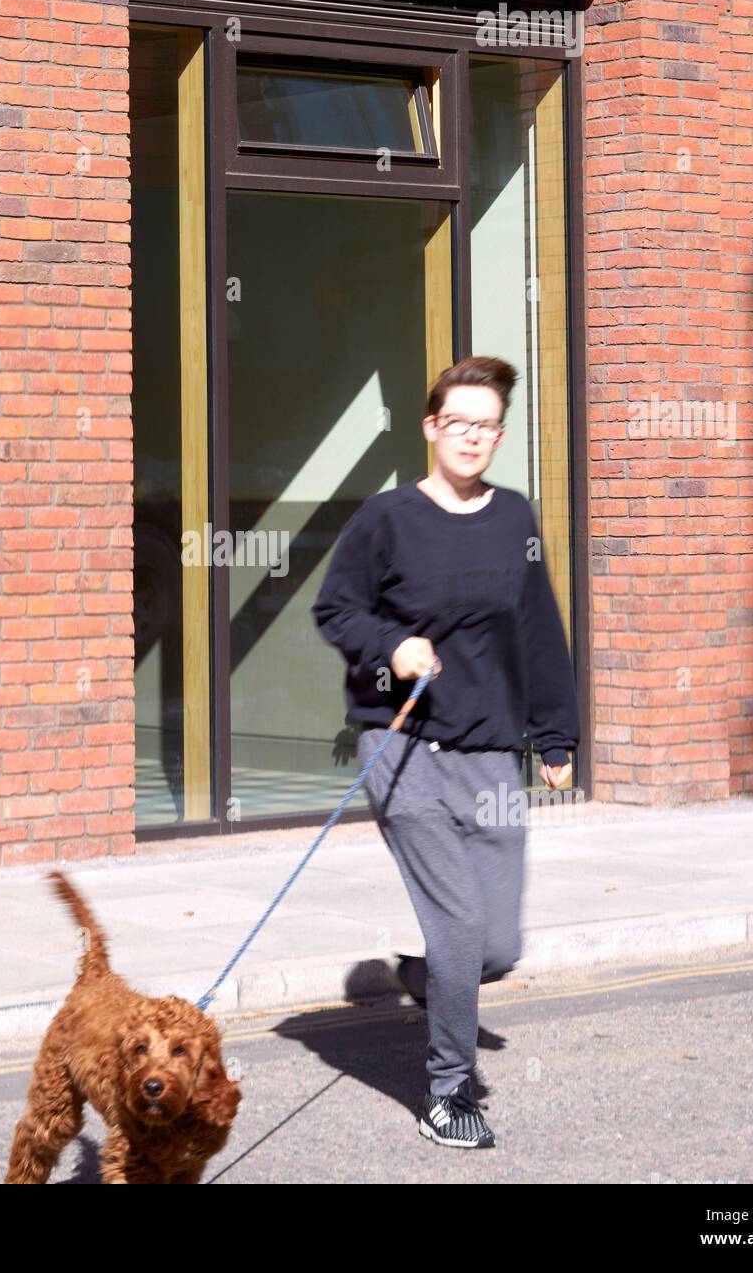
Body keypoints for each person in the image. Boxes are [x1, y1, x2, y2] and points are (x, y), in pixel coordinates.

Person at [311, 355, 580, 1150]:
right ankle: (448, 1090)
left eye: (486, 425)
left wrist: (555, 733)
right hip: (406, 751)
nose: (472, 437)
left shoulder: (514, 517)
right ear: (431, 427)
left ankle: (433, 978)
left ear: (499, 435)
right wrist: (390, 647)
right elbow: (337, 608)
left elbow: (538, 628)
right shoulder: (387, 518)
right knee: (461, 923)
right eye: (457, 422)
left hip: (492, 756)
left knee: (497, 944)